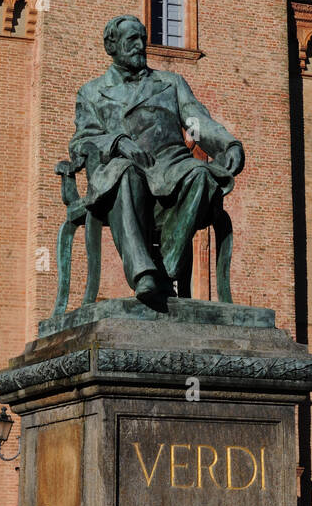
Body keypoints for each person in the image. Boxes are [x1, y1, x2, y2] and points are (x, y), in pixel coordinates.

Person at [68, 15, 244, 306]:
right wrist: (117, 142)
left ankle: (167, 264)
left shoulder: (170, 83)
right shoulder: (92, 92)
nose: (140, 46)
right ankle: (143, 274)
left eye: (142, 39)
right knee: (125, 174)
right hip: (122, 170)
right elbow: (81, 142)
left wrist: (228, 145)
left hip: (172, 168)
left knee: (200, 172)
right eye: (131, 40)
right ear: (111, 45)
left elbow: (197, 121)